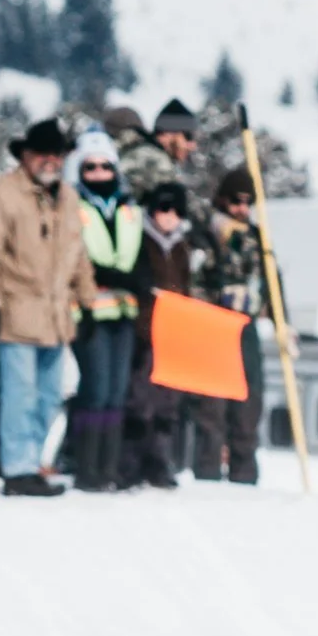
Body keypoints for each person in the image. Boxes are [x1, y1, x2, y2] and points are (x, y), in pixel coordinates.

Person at [0, 118, 95, 499]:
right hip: (16, 312)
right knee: (19, 395)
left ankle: (33, 459)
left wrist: (86, 303)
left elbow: (78, 254)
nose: (50, 161)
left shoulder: (69, 198)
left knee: (51, 395)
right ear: (26, 155)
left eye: (57, 154)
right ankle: (17, 467)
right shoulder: (2, 195)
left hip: (56, 316)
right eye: (43, 154)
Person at [68, 129, 143, 493]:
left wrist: (137, 279)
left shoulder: (129, 209)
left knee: (116, 391)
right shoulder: (74, 206)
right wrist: (109, 274)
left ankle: (108, 467)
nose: (98, 173)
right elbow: (73, 255)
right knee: (95, 389)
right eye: (90, 166)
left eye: (104, 166)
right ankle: (86, 466)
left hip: (124, 310)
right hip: (90, 310)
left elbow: (138, 253)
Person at [123, 178, 210, 487]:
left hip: (174, 335)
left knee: (167, 405)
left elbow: (187, 287)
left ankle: (159, 461)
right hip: (145, 330)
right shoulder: (140, 240)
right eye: (163, 209)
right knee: (139, 400)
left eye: (175, 210)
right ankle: (131, 462)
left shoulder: (183, 248)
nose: (168, 216)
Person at [193, 172, 267, 487]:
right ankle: (207, 475)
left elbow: (271, 284)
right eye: (237, 201)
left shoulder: (257, 238)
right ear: (224, 199)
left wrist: (281, 320)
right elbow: (194, 281)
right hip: (213, 326)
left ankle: (244, 475)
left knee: (248, 404)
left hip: (246, 325)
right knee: (211, 410)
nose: (242, 208)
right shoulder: (206, 234)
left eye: (248, 202)